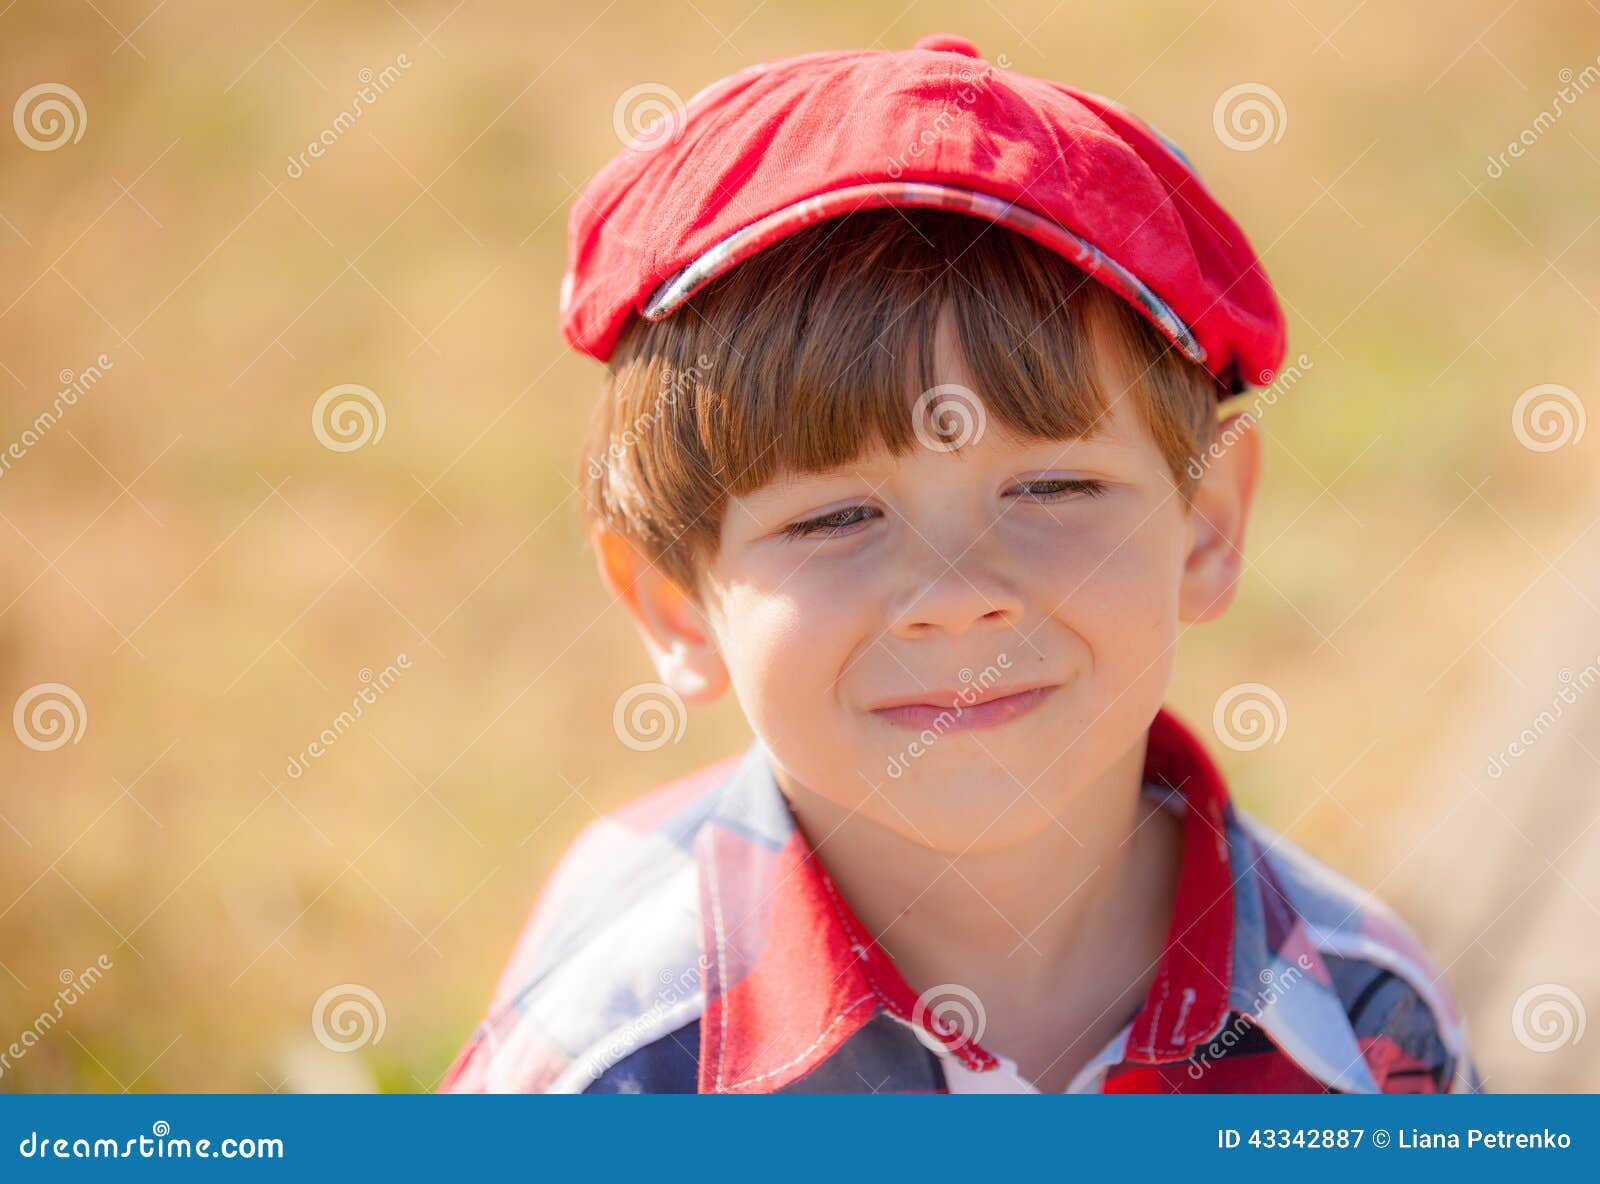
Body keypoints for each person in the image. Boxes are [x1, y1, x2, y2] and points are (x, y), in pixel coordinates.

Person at [441, 33, 1478, 1093]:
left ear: (1205, 524)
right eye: (836, 516)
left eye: (1052, 489)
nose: (956, 598)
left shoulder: (1363, 1029)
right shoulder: (606, 1065)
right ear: (677, 606)